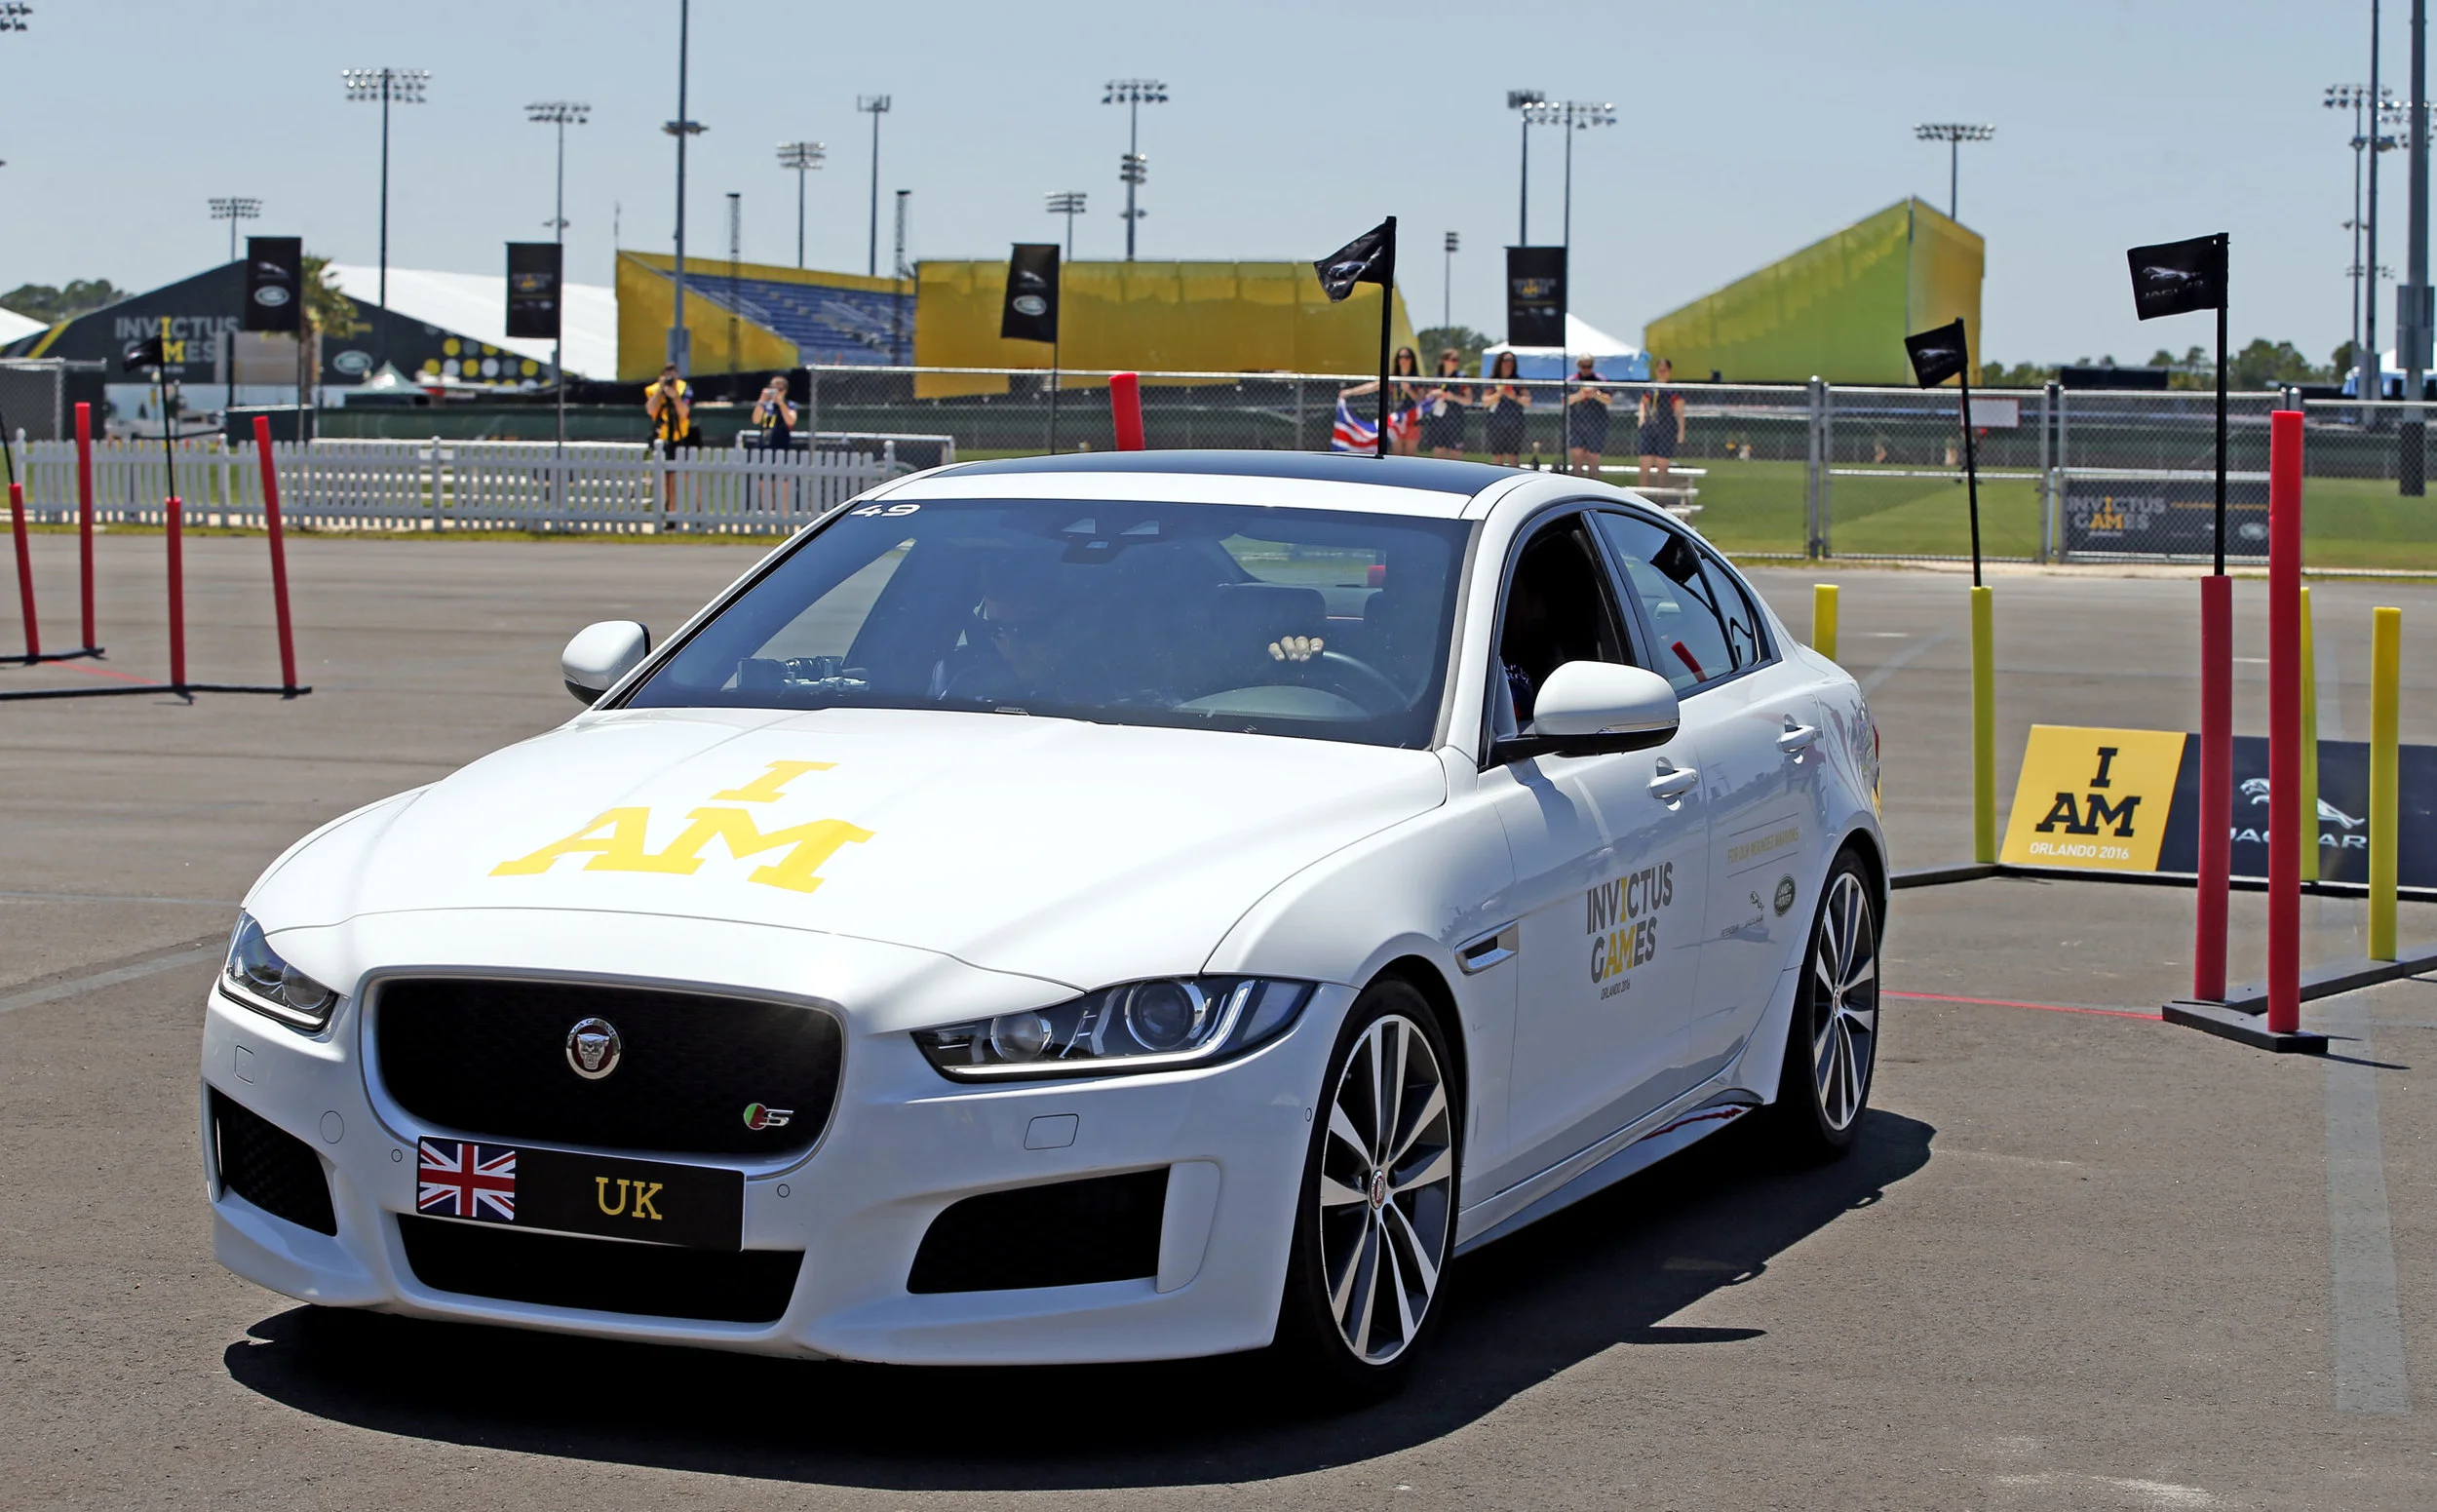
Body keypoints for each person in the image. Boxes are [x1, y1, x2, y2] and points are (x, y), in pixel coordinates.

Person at [1341, 345, 1425, 455]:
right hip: (1396, 420)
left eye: (1407, 357)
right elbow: (1373, 386)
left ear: (1412, 360)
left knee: (1410, 453)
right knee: (1397, 452)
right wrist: (1350, 392)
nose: (1404, 360)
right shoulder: (1392, 378)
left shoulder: (1417, 378)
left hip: (1412, 419)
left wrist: (1409, 390)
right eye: (1401, 357)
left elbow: (1422, 400)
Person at [1637, 357, 1686, 490]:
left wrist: (1681, 431)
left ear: (1669, 371)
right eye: (1660, 370)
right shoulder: (1651, 388)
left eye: (1665, 370)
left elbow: (1679, 412)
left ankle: (1661, 495)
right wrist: (1641, 417)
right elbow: (1643, 402)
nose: (1662, 373)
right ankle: (1643, 495)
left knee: (1662, 463)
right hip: (1650, 426)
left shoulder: (1673, 390)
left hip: (1666, 428)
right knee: (1645, 461)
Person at [1564, 354, 1611, 477]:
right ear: (1578, 366)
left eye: (1589, 366)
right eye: (1584, 366)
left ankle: (1594, 489)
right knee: (1577, 459)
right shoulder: (1571, 381)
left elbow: (1609, 400)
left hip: (1596, 424)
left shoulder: (1600, 380)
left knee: (1594, 459)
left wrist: (1596, 394)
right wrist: (1580, 395)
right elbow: (1564, 401)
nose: (1586, 369)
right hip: (1576, 424)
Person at [1482, 350, 1530, 467]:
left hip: (1515, 422)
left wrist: (1513, 396)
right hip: (1496, 422)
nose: (1509, 363)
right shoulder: (1493, 380)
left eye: (1511, 361)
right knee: (1498, 456)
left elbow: (1528, 401)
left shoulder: (1518, 380)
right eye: (1506, 360)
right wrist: (1498, 394)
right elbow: (1485, 401)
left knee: (1513, 456)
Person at [1421, 348, 1473, 459]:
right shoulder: (1437, 378)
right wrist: (1434, 394)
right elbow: (1426, 397)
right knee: (1438, 452)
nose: (1455, 362)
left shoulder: (1461, 378)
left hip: (1455, 420)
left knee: (1455, 453)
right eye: (1453, 359)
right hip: (1438, 420)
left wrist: (1453, 397)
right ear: (1444, 360)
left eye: (1457, 360)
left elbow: (1469, 401)